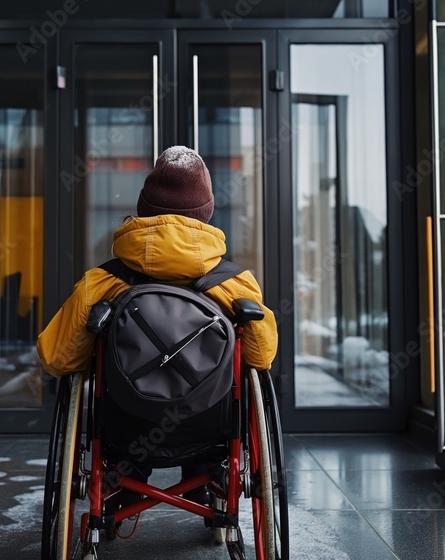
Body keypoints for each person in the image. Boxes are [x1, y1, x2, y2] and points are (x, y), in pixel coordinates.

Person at [37, 145, 278, 527]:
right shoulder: (235, 285)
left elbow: (58, 358)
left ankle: (124, 480)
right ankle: (206, 477)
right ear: (206, 213)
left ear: (144, 209)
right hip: (209, 425)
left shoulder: (101, 282)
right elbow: (261, 359)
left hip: (125, 425)